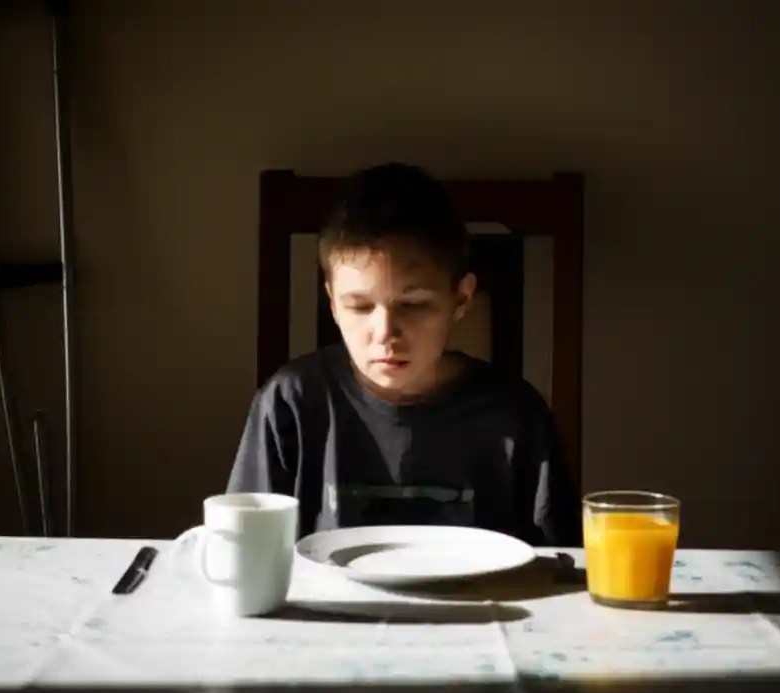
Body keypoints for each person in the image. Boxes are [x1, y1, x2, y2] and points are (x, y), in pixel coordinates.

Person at [226, 162, 578, 546]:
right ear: (332, 302)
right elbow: (243, 551)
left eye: (413, 305)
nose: (385, 334)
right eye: (359, 306)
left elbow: (558, 566)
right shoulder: (290, 403)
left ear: (460, 298)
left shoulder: (514, 416)